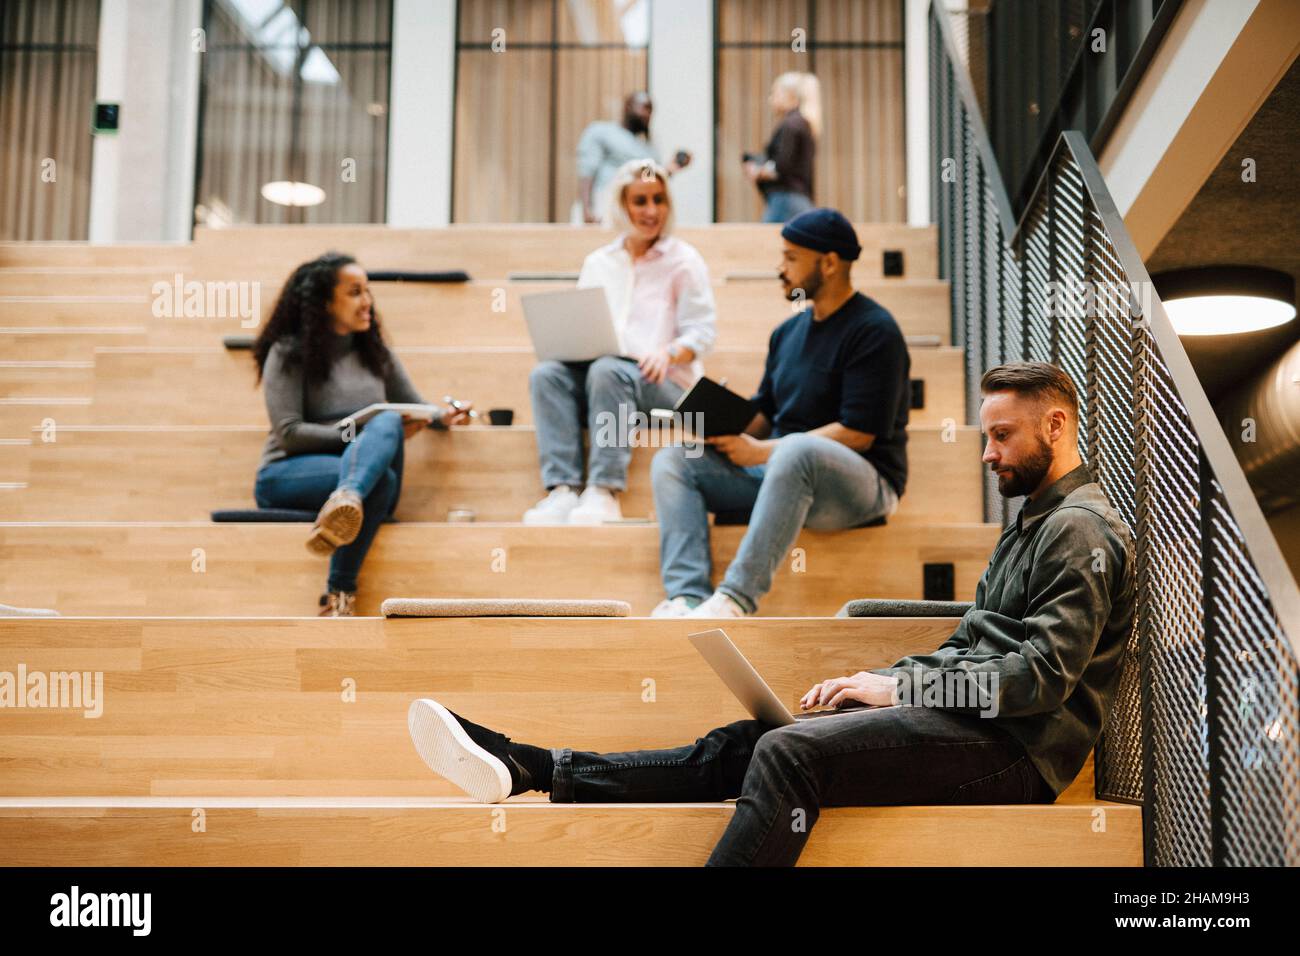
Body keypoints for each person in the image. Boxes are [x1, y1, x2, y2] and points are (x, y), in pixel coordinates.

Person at [406, 361, 1136, 867]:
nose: (986, 453)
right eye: (984, 435)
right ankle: (530, 766)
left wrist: (902, 691)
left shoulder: (1079, 528)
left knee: (789, 754)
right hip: (972, 726)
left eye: (1001, 436)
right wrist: (878, 679)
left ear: (1057, 426)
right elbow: (977, 648)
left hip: (1017, 754)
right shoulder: (1034, 519)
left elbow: (1041, 679)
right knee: (751, 739)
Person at [648, 207, 908, 618]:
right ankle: (687, 596)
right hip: (782, 473)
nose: (780, 268)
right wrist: (714, 418)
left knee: (795, 451)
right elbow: (765, 414)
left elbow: (860, 434)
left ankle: (734, 599)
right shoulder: (786, 333)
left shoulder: (875, 330)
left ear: (829, 263)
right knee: (675, 461)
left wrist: (763, 452)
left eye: (790, 258)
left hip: (863, 483)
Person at [252, 252, 473, 617]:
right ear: (324, 302)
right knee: (380, 473)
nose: (367, 301)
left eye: (368, 291)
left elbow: (415, 406)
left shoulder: (376, 353)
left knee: (385, 423)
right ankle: (340, 593)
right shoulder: (288, 352)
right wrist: (357, 432)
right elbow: (289, 434)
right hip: (288, 474)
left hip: (353, 476)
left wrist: (443, 416)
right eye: (355, 292)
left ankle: (347, 499)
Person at [523, 160, 717, 526]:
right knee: (547, 375)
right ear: (622, 205)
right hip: (606, 381)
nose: (651, 210)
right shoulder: (599, 262)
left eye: (659, 200)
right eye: (640, 201)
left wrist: (668, 352)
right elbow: (582, 323)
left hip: (666, 386)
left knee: (608, 370)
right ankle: (563, 490)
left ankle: (604, 490)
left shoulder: (684, 261)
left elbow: (703, 332)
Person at [576, 91, 691, 225]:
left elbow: (649, 181)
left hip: (629, 213)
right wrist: (587, 209)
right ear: (628, 107)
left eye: (651, 111)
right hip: (601, 204)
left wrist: (671, 169)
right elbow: (587, 171)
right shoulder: (601, 132)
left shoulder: (648, 150)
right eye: (645, 107)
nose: (648, 115)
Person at [745, 72, 820, 223]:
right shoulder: (802, 123)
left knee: (765, 243)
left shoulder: (791, 125)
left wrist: (758, 171)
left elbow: (782, 166)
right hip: (797, 197)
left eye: (775, 93)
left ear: (789, 95)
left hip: (786, 199)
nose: (771, 99)